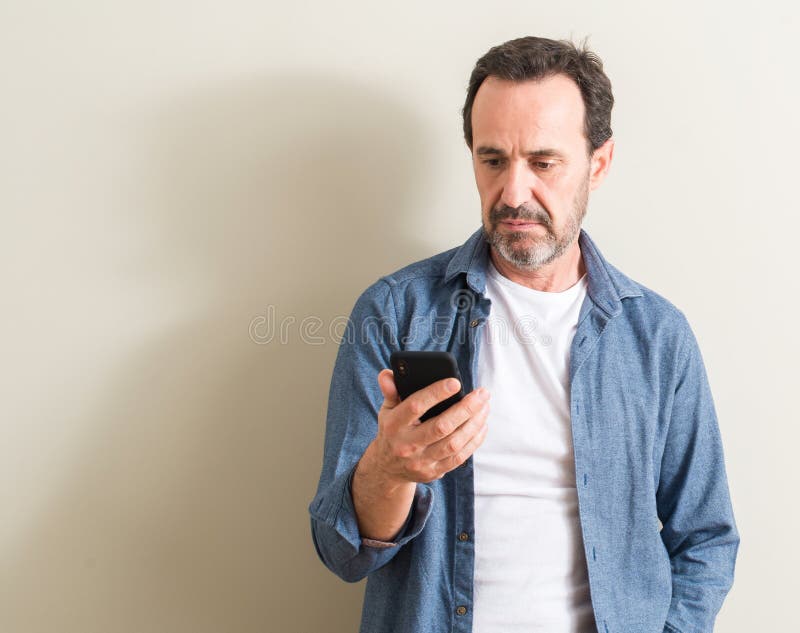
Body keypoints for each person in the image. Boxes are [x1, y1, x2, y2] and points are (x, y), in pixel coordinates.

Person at [308, 36, 739, 633]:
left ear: (599, 163)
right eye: (492, 161)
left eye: (543, 162)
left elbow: (707, 537)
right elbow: (341, 552)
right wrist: (389, 468)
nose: (513, 193)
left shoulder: (658, 337)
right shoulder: (393, 311)